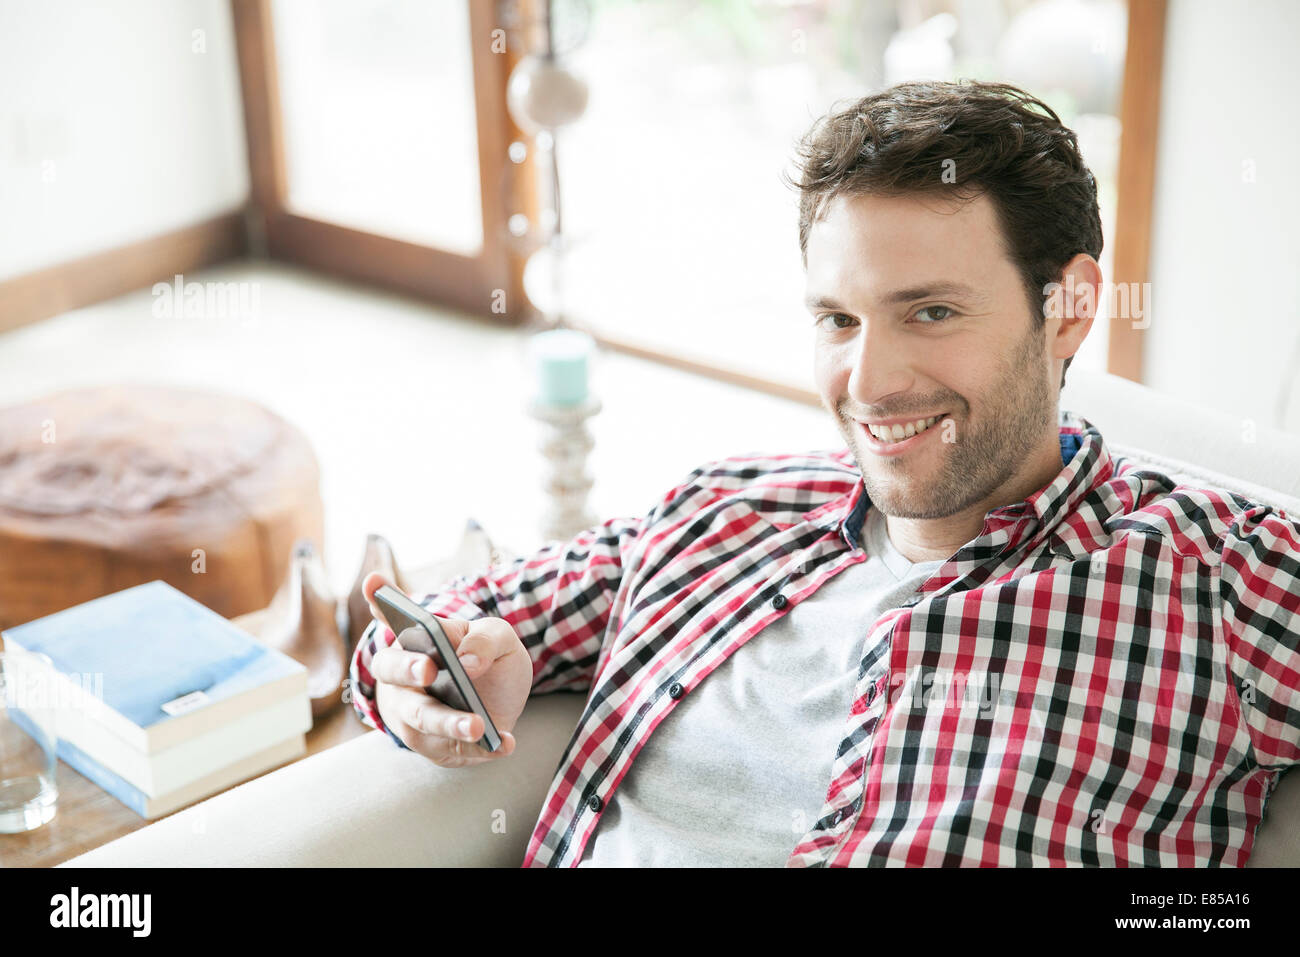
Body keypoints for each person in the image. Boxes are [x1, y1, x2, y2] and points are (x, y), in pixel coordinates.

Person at [350, 80, 1300, 867]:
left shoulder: (1214, 573)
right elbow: (435, 628)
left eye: (931, 312)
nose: (871, 382)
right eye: (840, 320)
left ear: (1071, 305)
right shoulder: (723, 513)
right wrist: (430, 675)